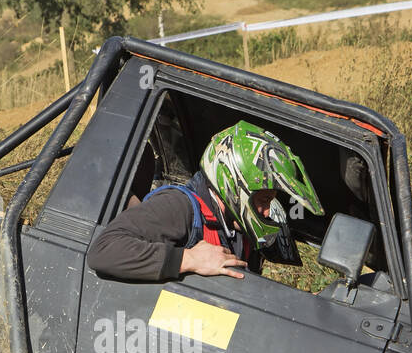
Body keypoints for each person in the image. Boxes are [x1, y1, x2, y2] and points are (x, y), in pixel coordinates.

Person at [87, 120, 323, 282]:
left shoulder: (235, 227)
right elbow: (103, 250)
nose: (266, 211)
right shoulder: (178, 206)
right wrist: (187, 259)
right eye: (263, 199)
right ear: (232, 182)